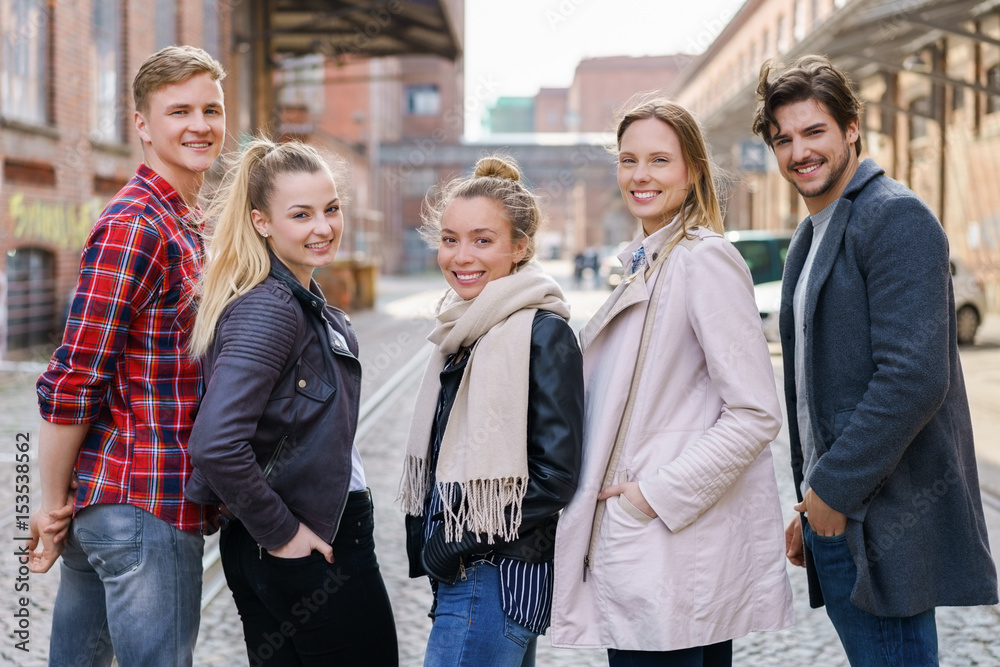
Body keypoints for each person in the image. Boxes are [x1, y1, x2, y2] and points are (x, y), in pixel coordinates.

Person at [751, 55, 998, 665]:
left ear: (851, 128)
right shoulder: (810, 236)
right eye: (783, 139)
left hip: (883, 522)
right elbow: (816, 385)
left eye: (815, 132)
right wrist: (810, 501)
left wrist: (831, 493)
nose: (798, 152)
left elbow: (913, 377)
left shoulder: (894, 216)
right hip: (835, 512)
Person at [551, 97, 794, 666]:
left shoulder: (702, 260)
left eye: (659, 160)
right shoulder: (648, 262)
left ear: (693, 172)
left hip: (670, 545)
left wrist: (652, 497)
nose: (640, 175)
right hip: (659, 552)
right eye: (628, 159)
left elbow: (756, 412)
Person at [31, 45, 225, 666]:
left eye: (212, 109)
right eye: (180, 111)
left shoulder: (188, 221)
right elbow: (74, 375)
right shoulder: (137, 225)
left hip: (125, 502)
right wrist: (49, 502)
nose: (200, 125)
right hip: (144, 503)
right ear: (142, 124)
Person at [183, 138, 398, 665]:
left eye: (331, 209)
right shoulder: (272, 308)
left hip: (286, 540)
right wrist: (284, 536)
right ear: (261, 221)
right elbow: (215, 443)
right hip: (308, 543)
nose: (323, 227)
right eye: (301, 214)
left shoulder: (296, 300)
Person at [398, 155, 584, 667]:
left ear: (519, 247)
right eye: (451, 239)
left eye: (483, 240)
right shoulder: (461, 333)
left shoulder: (542, 333)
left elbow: (556, 475)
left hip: (497, 576)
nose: (462, 255)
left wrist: (456, 540)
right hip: (464, 575)